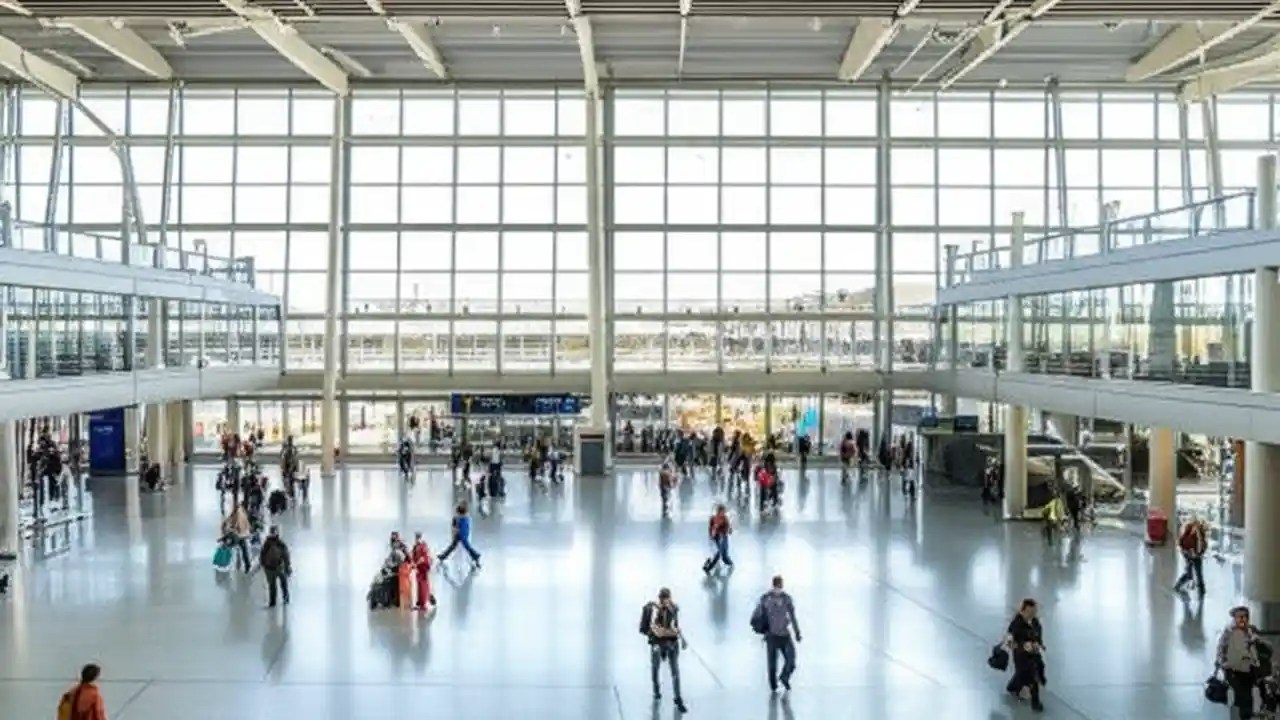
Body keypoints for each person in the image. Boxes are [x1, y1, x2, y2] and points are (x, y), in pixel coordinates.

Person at [1217, 606, 1269, 719]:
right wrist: (1222, 664)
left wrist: (1257, 641)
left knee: (1250, 697)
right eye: (1239, 617)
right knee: (1242, 699)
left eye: (1245, 617)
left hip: (1250, 670)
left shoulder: (1251, 630)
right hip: (1234, 671)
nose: (1242, 619)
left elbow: (1265, 649)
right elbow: (1221, 650)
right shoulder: (1229, 632)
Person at [646, 588, 689, 713]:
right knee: (655, 668)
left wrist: (682, 638)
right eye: (663, 599)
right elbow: (656, 630)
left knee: (675, 671)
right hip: (658, 644)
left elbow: (676, 626)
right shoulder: (655, 610)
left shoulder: (674, 609)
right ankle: (656, 690)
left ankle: (678, 698)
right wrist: (669, 632)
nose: (666, 602)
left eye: (667, 599)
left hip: (672, 643)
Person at [757, 575, 801, 693]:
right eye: (777, 586)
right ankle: (773, 685)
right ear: (774, 586)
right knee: (772, 664)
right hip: (771, 635)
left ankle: (784, 677)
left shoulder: (787, 599)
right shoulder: (765, 599)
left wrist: (797, 632)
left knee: (791, 660)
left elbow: (792, 616)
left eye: (780, 587)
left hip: (784, 635)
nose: (778, 589)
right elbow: (759, 615)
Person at [1005, 598, 1046, 713]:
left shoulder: (1035, 622)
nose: (1032, 614)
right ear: (1022, 611)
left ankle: (1013, 686)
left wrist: (1039, 644)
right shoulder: (1016, 624)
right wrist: (1022, 646)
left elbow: (1038, 635)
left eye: (1034, 611)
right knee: (1031, 676)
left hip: (1033, 654)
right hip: (1021, 656)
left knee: (1027, 674)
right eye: (1029, 612)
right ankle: (1035, 702)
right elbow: (1009, 641)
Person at [438, 503, 482, 568]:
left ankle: (476, 556)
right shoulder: (463, 518)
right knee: (454, 546)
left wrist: (457, 531)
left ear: (460, 513)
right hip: (460, 535)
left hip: (462, 536)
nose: (456, 514)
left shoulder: (463, 519)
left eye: (457, 513)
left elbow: (462, 529)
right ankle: (443, 556)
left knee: (464, 547)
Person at [258, 526, 292, 608]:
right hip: (279, 566)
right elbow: (286, 556)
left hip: (269, 568)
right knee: (283, 583)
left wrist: (263, 565)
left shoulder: (266, 543)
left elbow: (262, 555)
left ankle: (272, 602)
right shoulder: (281, 543)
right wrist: (288, 567)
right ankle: (286, 598)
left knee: (272, 586)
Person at [1174, 516, 1208, 595]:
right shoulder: (1187, 533)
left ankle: (1201, 591)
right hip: (1189, 556)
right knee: (1189, 574)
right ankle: (1178, 585)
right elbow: (1181, 543)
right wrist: (1187, 552)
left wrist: (1200, 553)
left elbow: (1203, 545)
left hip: (1197, 556)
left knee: (1199, 573)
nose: (1195, 528)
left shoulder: (1200, 534)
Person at [221, 501, 252, 573]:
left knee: (232, 547)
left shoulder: (237, 514)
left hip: (238, 536)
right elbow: (246, 525)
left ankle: (238, 564)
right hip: (241, 536)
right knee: (243, 550)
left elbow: (231, 524)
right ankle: (245, 564)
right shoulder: (241, 513)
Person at [703, 504, 733, 574]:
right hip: (717, 538)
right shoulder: (714, 518)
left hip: (723, 537)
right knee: (718, 553)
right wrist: (712, 534)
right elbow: (712, 527)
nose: (723, 513)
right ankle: (708, 567)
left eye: (724, 512)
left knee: (724, 554)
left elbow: (728, 527)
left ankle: (730, 564)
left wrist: (729, 530)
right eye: (722, 511)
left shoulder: (725, 518)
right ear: (719, 511)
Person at [411, 532, 435, 611]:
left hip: (424, 568)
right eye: (416, 538)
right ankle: (421, 602)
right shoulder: (416, 546)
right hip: (419, 569)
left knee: (423, 585)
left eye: (418, 538)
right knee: (420, 585)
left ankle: (424, 603)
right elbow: (413, 556)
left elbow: (423, 558)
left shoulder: (423, 546)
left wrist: (415, 564)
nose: (417, 539)